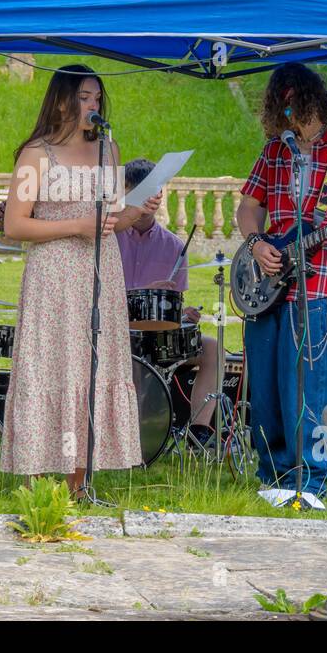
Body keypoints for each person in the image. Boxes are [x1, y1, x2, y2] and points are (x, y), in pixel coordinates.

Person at [0, 66, 161, 496]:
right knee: (50, 366)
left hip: (99, 271)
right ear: (61, 100)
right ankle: (36, 480)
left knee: (91, 366)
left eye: (97, 98)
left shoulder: (109, 150)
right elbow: (14, 226)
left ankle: (79, 481)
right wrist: (75, 226)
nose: (93, 105)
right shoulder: (37, 154)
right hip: (53, 274)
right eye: (85, 97)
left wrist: (139, 210)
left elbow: (111, 221)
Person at [235, 62, 327, 508]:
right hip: (269, 281)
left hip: (319, 282)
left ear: (306, 98)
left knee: (310, 383)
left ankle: (310, 480)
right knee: (267, 382)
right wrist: (257, 242)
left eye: (290, 103)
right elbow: (248, 207)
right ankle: (271, 474)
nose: (286, 113)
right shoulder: (275, 150)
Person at [115, 157, 223, 445]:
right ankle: (130, 439)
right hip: (116, 333)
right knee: (132, 357)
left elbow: (173, 304)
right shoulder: (108, 238)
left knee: (212, 347)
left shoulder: (174, 246)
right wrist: (142, 292)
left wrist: (183, 313)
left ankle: (198, 430)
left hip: (159, 338)